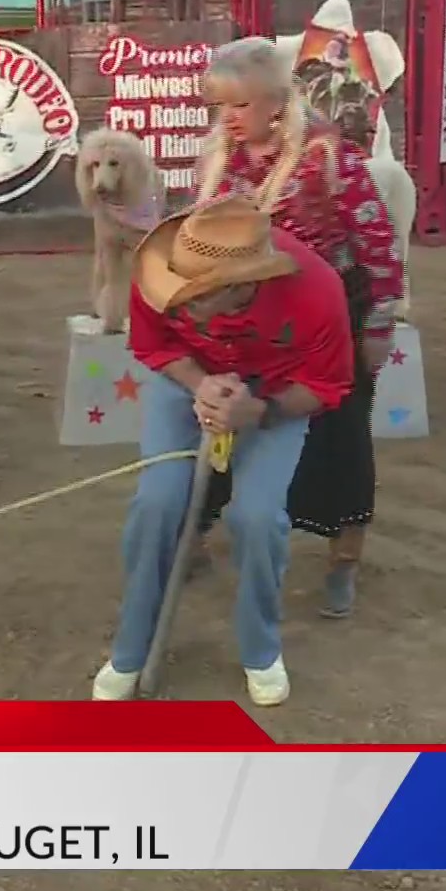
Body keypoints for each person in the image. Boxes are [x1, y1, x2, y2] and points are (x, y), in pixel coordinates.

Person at [94, 194, 353, 706]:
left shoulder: (319, 291)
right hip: (186, 380)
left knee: (258, 518)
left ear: (242, 286)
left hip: (276, 394)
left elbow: (327, 385)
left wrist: (258, 411)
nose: (175, 301)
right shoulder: (160, 271)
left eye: (196, 296)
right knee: (156, 503)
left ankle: (260, 650)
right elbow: (153, 347)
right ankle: (130, 649)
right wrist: (199, 384)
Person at [191, 36, 404, 620]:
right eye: (220, 107)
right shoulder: (218, 159)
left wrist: (380, 321)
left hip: (331, 315)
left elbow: (375, 239)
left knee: (341, 438)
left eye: (238, 105)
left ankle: (343, 564)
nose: (227, 119)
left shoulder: (327, 154)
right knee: (223, 424)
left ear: (274, 103)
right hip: (245, 317)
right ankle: (193, 537)